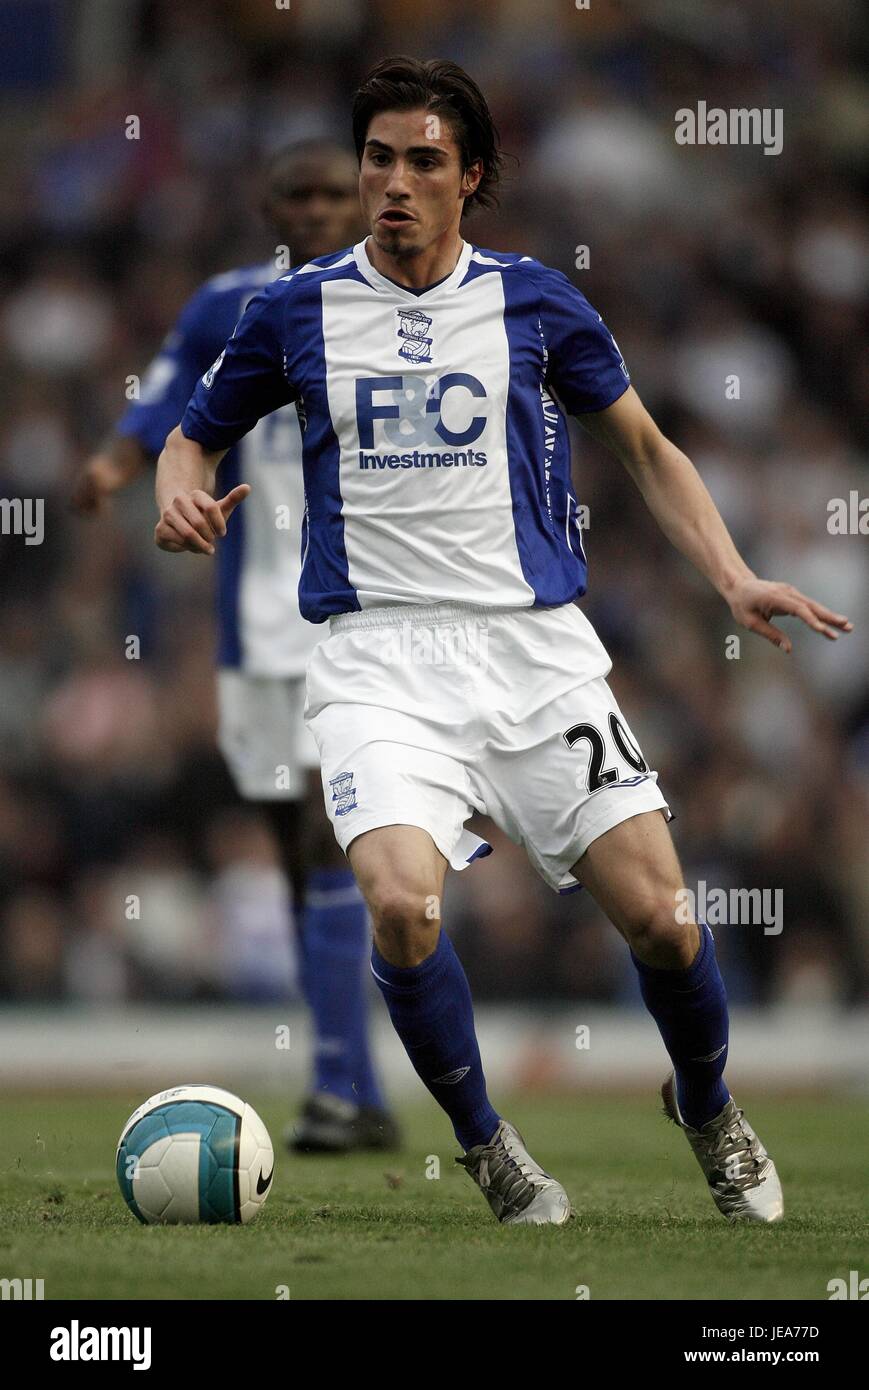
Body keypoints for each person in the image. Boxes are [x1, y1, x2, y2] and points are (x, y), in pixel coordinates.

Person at [153, 58, 852, 1225]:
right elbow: (191, 438)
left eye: (423, 160)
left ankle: (709, 1106)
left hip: (532, 654)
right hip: (376, 658)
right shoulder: (296, 310)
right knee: (400, 904)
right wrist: (180, 492)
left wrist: (731, 576)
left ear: (469, 179)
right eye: (377, 157)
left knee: (667, 925)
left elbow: (643, 449)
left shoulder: (534, 302)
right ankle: (485, 1144)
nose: (394, 182)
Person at [75, 139, 400, 1154]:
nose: (310, 211)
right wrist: (112, 467)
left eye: (326, 195)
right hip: (249, 632)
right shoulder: (227, 305)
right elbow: (162, 400)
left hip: (359, 616)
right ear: (270, 205)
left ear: (357, 203)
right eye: (293, 196)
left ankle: (341, 1089)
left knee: (330, 834)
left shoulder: (405, 306)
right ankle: (360, 1085)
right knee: (296, 859)